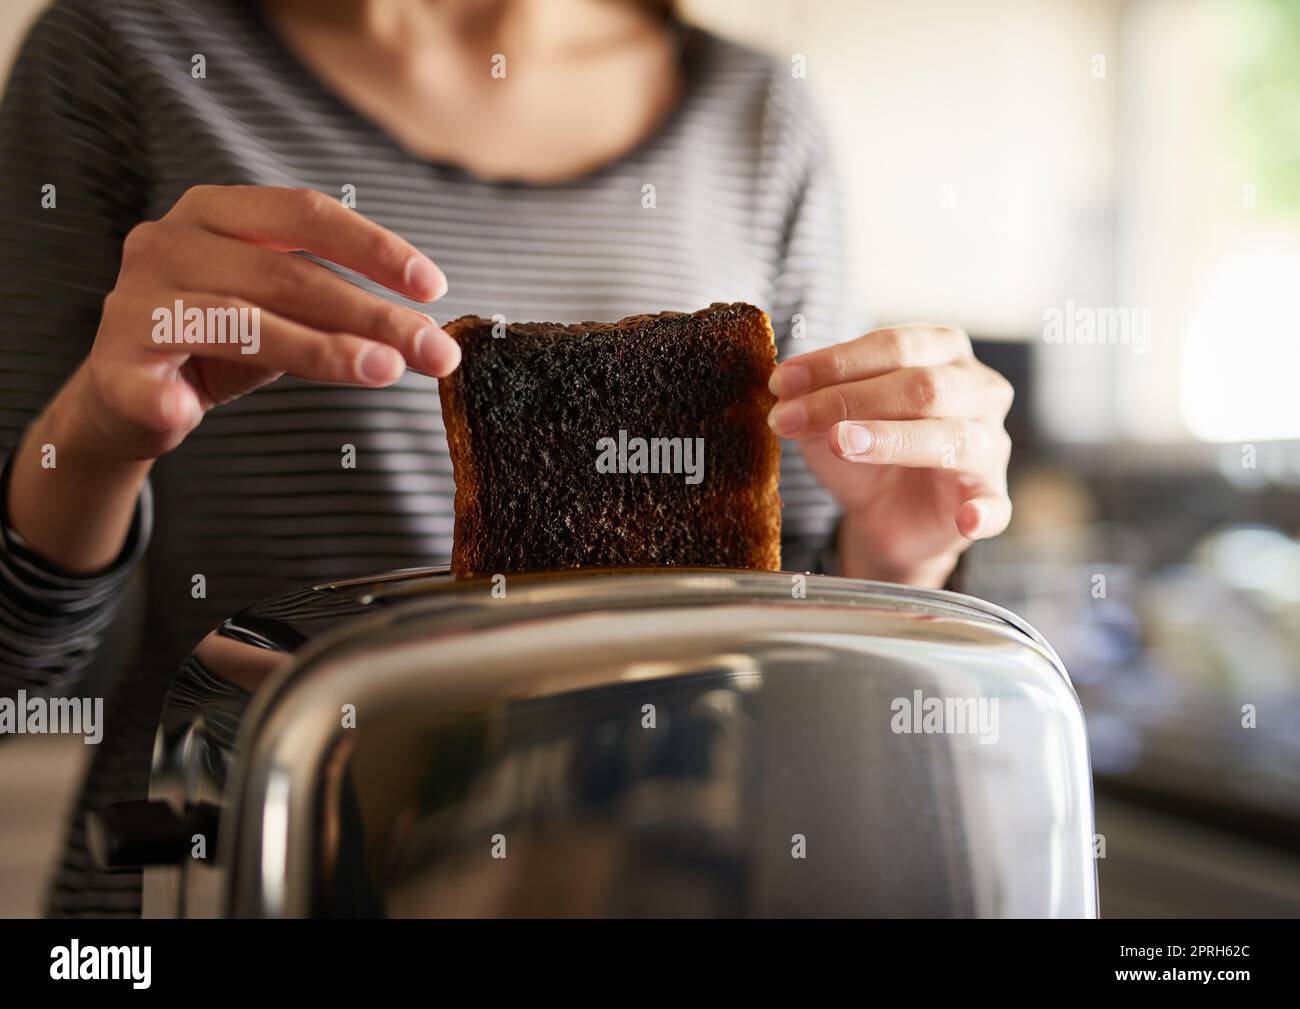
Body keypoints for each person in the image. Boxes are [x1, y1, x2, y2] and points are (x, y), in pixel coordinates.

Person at [0, 0, 1013, 916]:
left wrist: (895, 559)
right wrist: (93, 440)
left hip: (639, 887)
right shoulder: (119, 49)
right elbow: (20, 684)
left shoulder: (759, 115)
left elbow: (783, 681)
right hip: (224, 875)